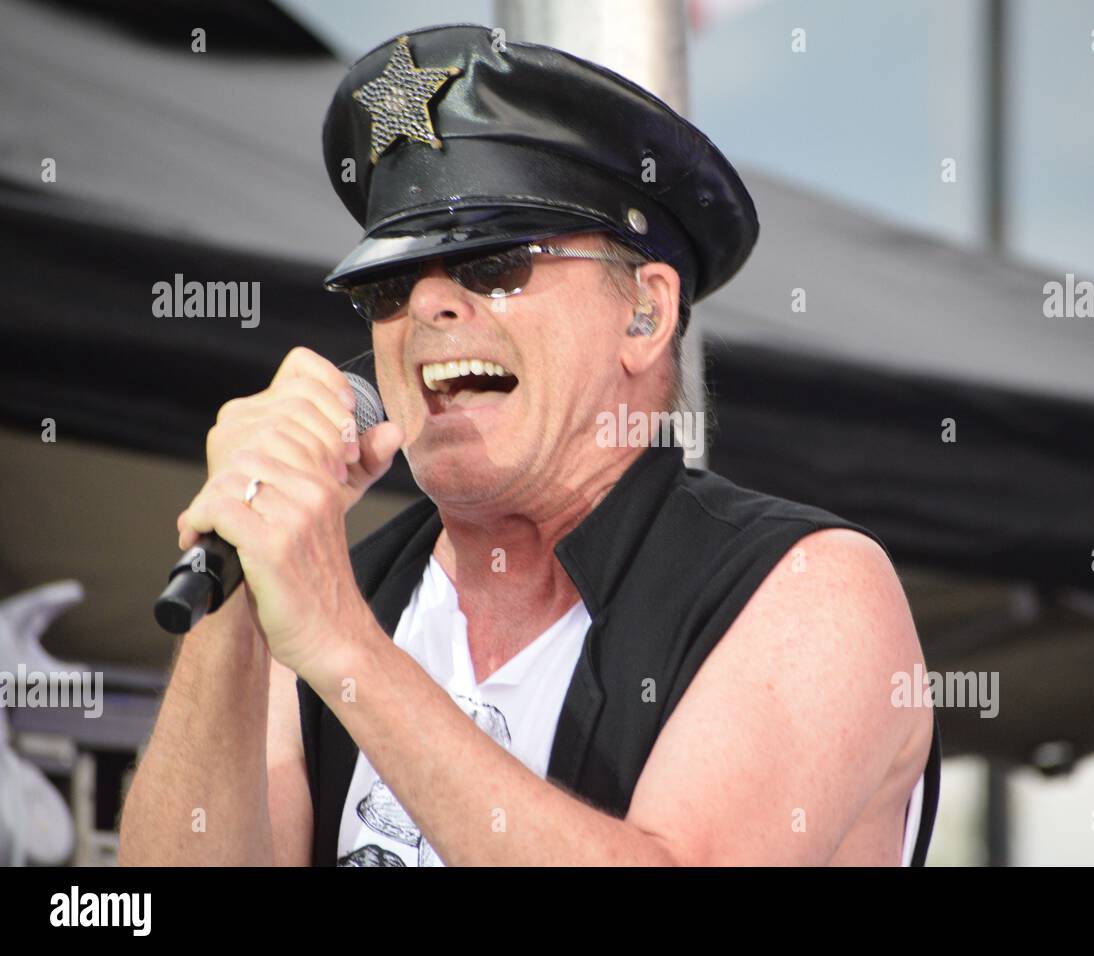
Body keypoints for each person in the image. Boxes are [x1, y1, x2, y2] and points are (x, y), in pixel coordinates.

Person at [120, 24, 939, 867]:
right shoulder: (341, 600)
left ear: (645, 313)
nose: (430, 306)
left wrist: (345, 650)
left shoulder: (807, 586)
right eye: (390, 284)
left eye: (495, 265)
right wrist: (237, 598)